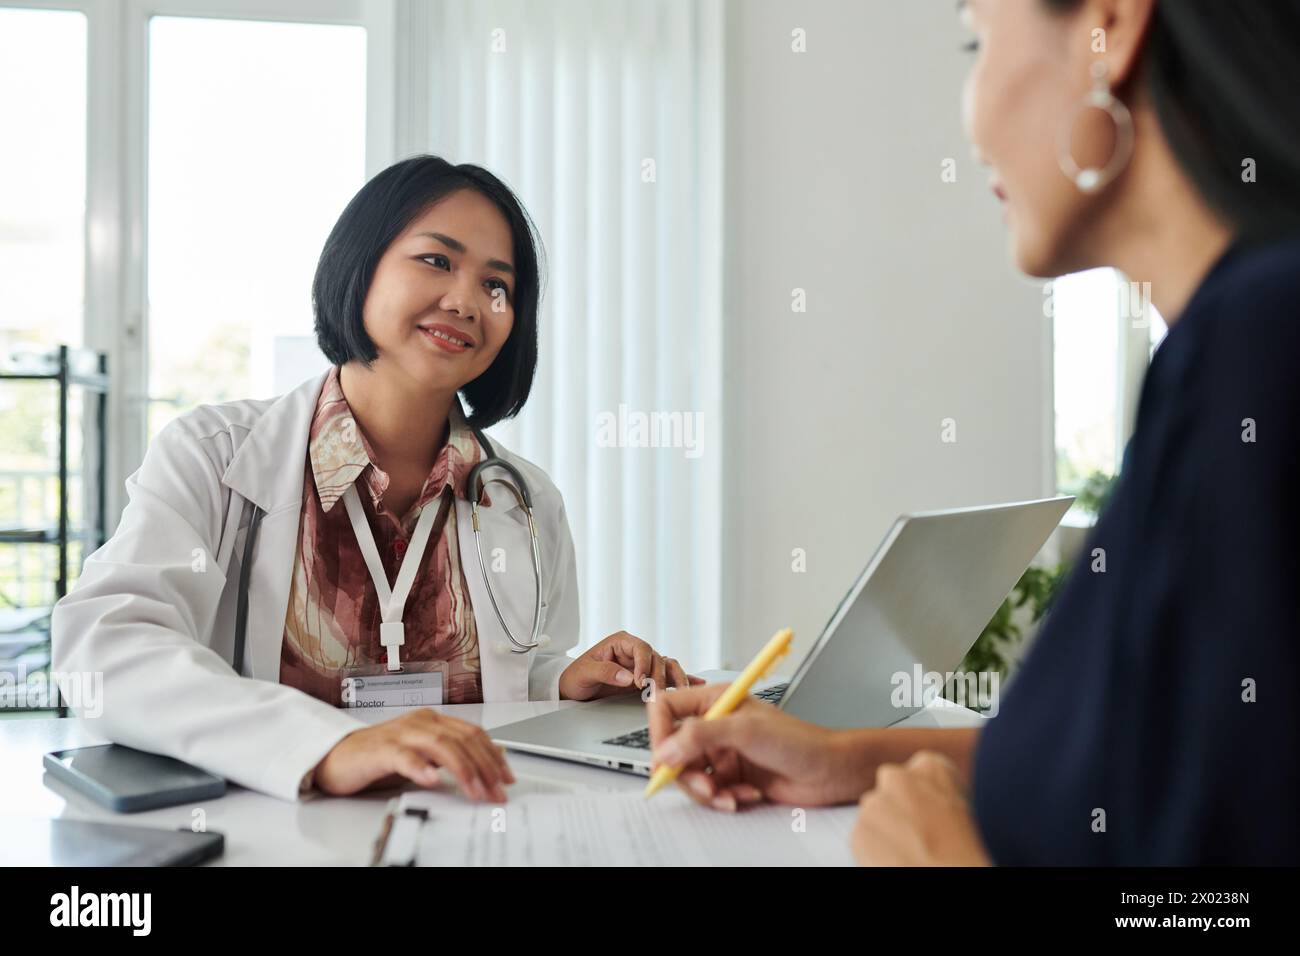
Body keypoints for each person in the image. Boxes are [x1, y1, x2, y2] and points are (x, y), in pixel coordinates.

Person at [649, 0, 1300, 865]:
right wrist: (843, 758)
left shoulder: (1259, 344)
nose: (971, 123)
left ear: (1110, 25)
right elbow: (1143, 770)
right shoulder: (1229, 343)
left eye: (977, 39)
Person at [53, 156, 694, 803]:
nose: (467, 301)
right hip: (281, 833)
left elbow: (494, 678)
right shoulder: (212, 457)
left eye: (496, 285)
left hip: (469, 817)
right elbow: (105, 652)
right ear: (360, 266)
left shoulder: (525, 500)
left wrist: (557, 682)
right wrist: (322, 745)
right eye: (437, 260)